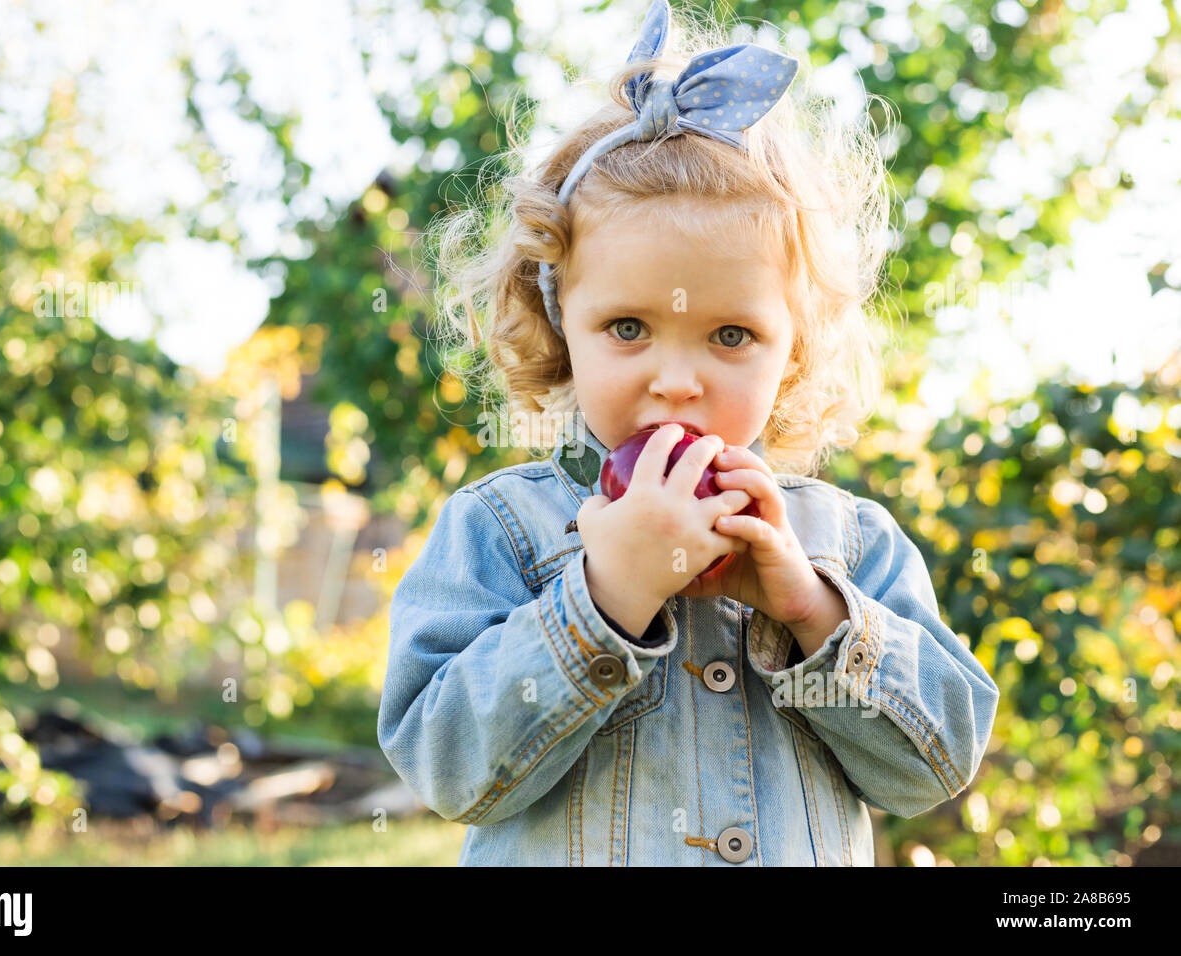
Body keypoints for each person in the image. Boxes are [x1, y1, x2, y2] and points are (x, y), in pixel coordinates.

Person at [377, 0, 999, 865]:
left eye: (731, 335)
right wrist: (601, 601)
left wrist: (809, 609)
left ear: (793, 351)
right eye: (627, 327)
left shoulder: (849, 545)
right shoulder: (503, 531)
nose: (676, 379)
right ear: (562, 326)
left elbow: (936, 764)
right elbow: (443, 767)